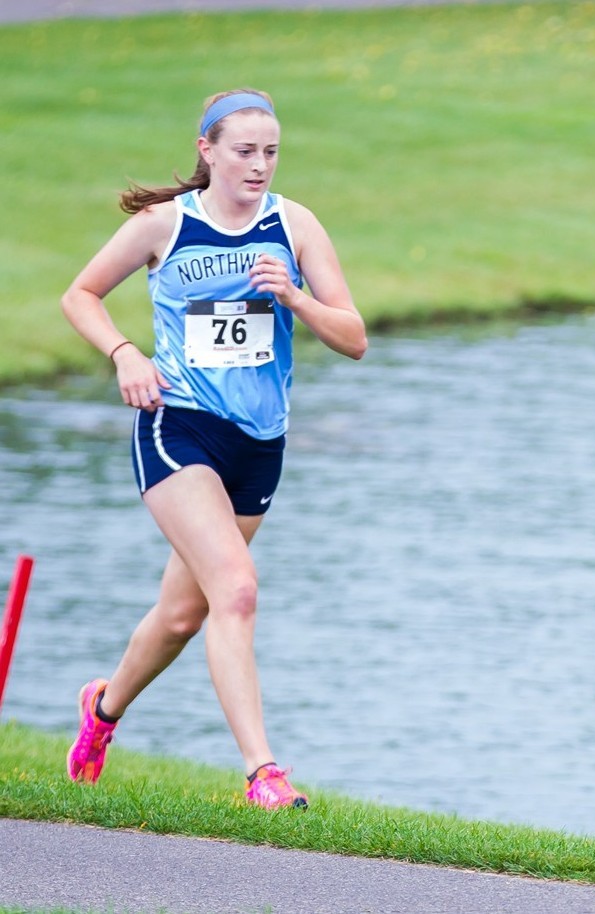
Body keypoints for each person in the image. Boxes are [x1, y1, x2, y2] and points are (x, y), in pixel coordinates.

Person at [61, 88, 368, 809]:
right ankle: (263, 773)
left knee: (181, 615)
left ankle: (102, 709)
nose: (260, 165)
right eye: (245, 151)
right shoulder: (164, 224)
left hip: (259, 443)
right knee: (236, 589)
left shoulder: (294, 224)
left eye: (271, 152)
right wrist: (125, 353)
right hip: (179, 426)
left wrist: (295, 298)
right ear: (207, 150)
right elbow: (81, 294)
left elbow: (353, 338)